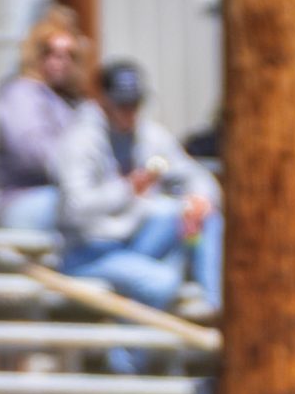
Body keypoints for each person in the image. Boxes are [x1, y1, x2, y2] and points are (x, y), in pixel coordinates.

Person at [53, 60, 223, 319]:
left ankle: (214, 305)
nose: (130, 111)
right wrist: (127, 189)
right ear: (102, 100)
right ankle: (122, 361)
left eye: (136, 103)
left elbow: (194, 174)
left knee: (202, 213)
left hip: (133, 240)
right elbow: (75, 211)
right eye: (122, 103)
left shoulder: (149, 134)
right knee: (163, 280)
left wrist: (200, 198)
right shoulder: (80, 140)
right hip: (89, 252)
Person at [0, 6, 89, 231]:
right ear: (36, 54)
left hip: (65, 193)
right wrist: (84, 175)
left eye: (68, 55)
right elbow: (34, 154)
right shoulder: (20, 93)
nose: (60, 61)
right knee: (84, 206)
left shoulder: (75, 103)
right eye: (51, 53)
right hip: (23, 201)